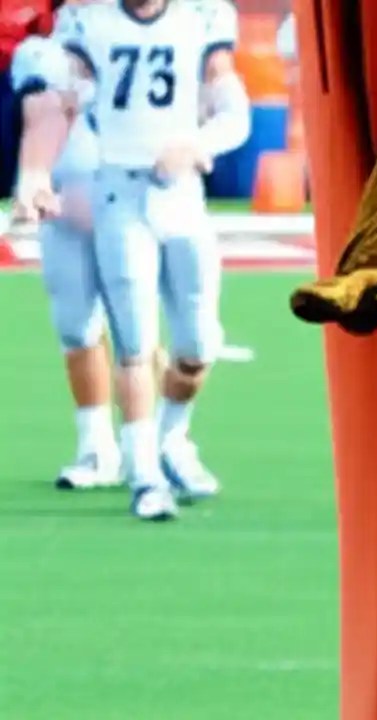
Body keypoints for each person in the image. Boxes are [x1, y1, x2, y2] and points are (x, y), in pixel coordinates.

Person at [35, 0, 250, 521]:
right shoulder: (90, 22)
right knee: (135, 343)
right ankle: (144, 474)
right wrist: (38, 172)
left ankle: (172, 439)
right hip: (119, 194)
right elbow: (63, 100)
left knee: (198, 344)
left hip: (182, 197)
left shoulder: (202, 15)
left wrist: (197, 143)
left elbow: (234, 110)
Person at [10, 8, 119, 490]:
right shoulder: (41, 52)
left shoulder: (141, 38)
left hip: (132, 198)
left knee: (136, 328)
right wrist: (34, 177)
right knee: (76, 325)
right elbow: (42, 112)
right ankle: (97, 446)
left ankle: (156, 442)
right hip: (64, 198)